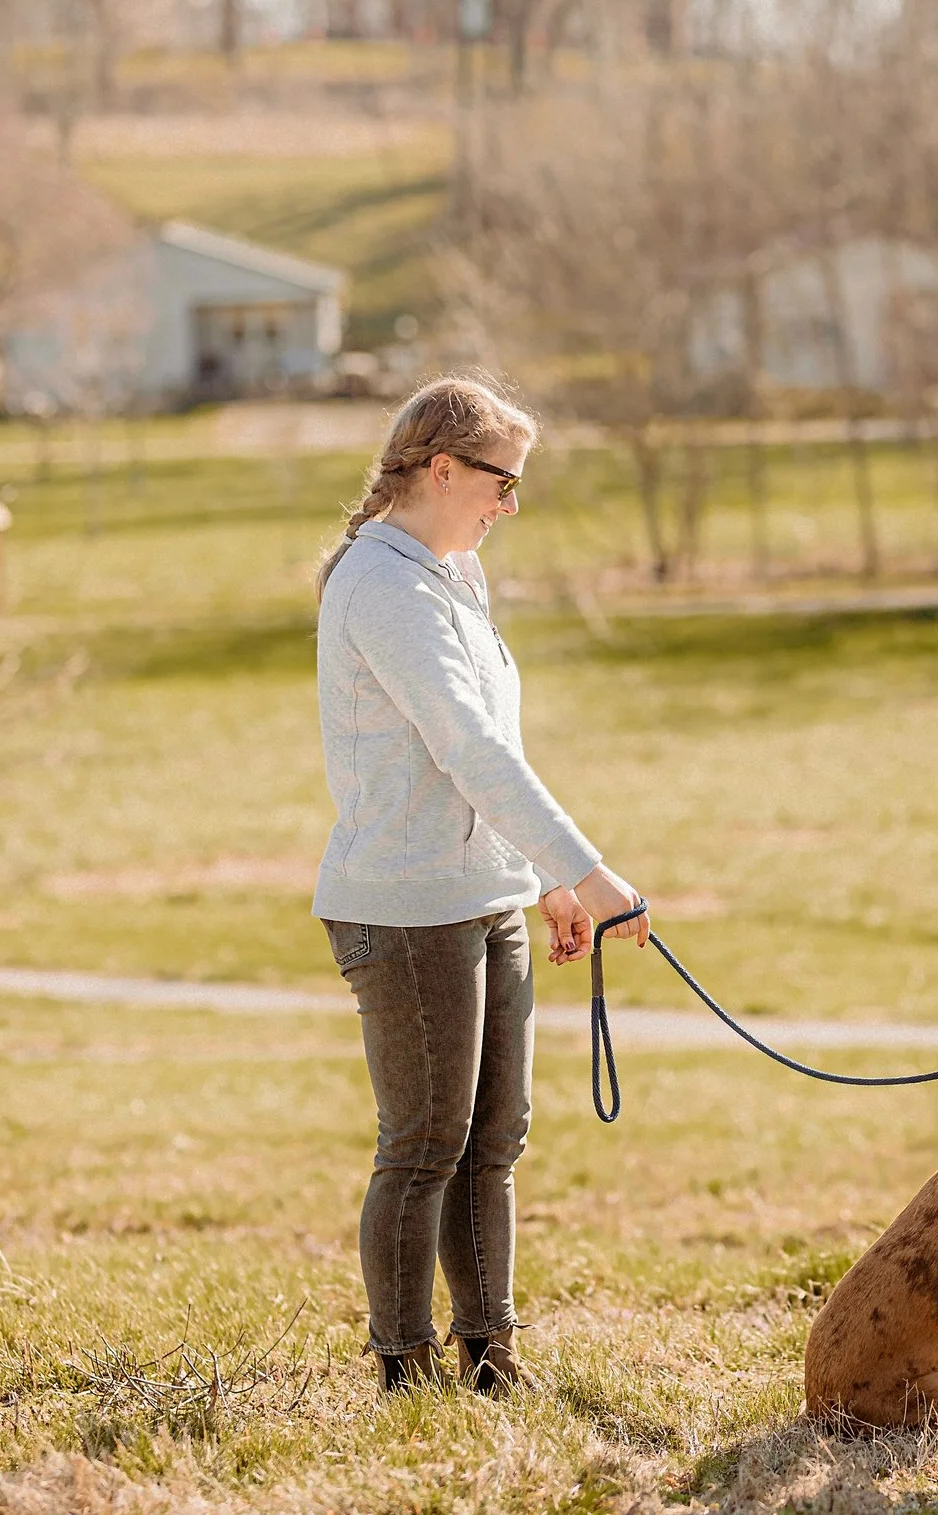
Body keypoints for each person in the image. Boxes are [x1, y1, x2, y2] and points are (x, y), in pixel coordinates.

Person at [312, 374, 649, 1396]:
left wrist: (543, 878)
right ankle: (404, 1373)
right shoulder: (383, 586)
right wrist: (589, 871)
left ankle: (492, 1361)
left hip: (484, 893)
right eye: (504, 483)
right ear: (443, 469)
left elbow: (494, 749)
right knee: (424, 1145)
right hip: (405, 905)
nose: (510, 505)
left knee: (492, 1142)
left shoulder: (454, 575)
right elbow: (466, 747)